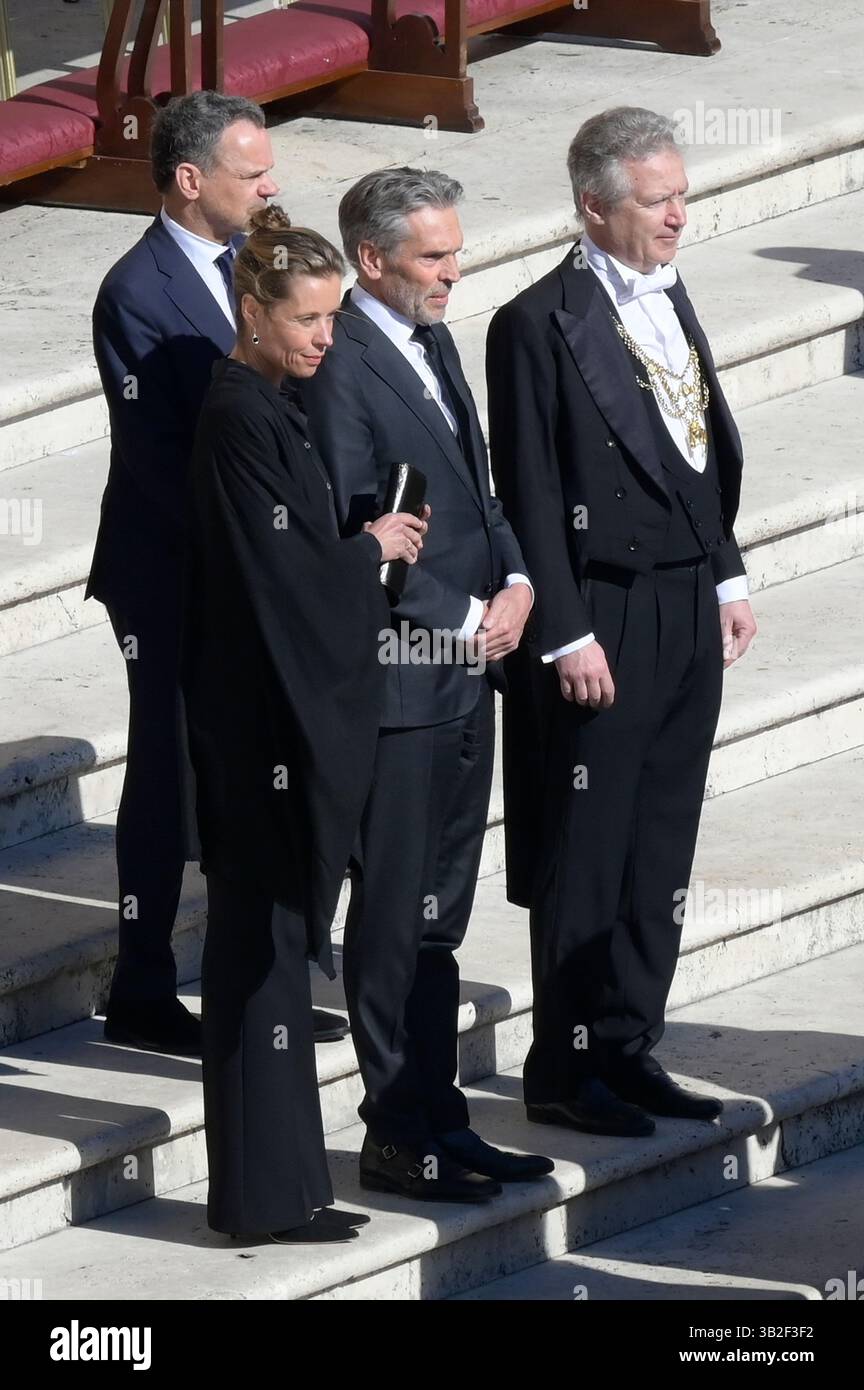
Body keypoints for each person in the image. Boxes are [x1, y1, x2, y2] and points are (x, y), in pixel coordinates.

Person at [486, 108, 757, 1139]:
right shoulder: (533, 323)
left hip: (688, 602)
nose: (681, 216)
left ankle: (630, 1042)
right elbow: (532, 493)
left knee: (659, 840)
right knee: (587, 843)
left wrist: (725, 573)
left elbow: (694, 450)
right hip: (600, 614)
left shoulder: (667, 287)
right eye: (660, 200)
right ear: (595, 206)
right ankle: (564, 1064)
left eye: (683, 195)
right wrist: (562, 630)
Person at [301, 167, 554, 1202]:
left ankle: (442, 1117)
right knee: (395, 911)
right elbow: (358, 527)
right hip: (401, 686)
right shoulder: (337, 365)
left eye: (455, 250)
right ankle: (394, 1131)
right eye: (434, 257)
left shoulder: (432, 333)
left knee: (440, 915)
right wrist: (459, 615)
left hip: (465, 678)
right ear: (372, 259)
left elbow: (473, 488)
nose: (455, 270)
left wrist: (523, 582)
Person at [183, 206, 427, 1243]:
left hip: (269, 721)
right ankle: (260, 1198)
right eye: (311, 318)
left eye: (335, 316)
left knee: (272, 960)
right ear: (253, 310)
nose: (328, 336)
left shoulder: (269, 402)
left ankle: (283, 1191)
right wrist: (369, 547)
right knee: (258, 960)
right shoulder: (239, 414)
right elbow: (282, 578)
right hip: (258, 736)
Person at [87, 90, 281, 1054]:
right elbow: (157, 456)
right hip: (170, 569)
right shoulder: (137, 291)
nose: (269, 186)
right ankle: (143, 983)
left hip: (256, 564)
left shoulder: (263, 259)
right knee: (165, 772)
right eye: (252, 172)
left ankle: (263, 977)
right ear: (192, 178)